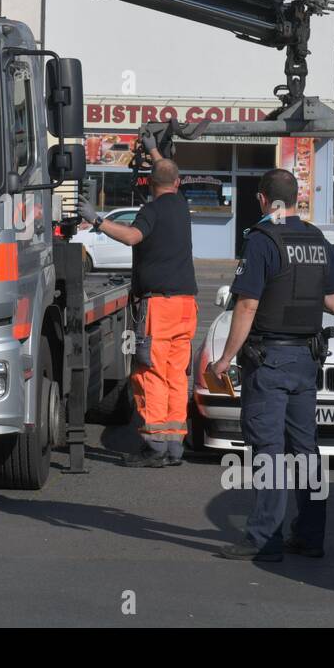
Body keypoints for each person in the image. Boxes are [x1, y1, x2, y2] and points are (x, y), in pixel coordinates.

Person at [210, 168, 334, 562]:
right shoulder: (318, 240)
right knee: (305, 448)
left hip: (269, 360)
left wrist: (225, 358)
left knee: (268, 449)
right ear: (297, 198)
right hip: (307, 359)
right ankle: (311, 536)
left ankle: (265, 540)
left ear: (264, 199)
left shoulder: (263, 239)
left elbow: (247, 305)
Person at [79, 134, 198, 468]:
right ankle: (174, 445)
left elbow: (132, 237)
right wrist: (154, 150)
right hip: (186, 306)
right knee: (176, 375)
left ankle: (154, 446)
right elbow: (167, 172)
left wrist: (97, 220)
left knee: (150, 373)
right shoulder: (181, 205)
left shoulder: (152, 210)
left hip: (159, 307)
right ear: (177, 183)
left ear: (150, 183)